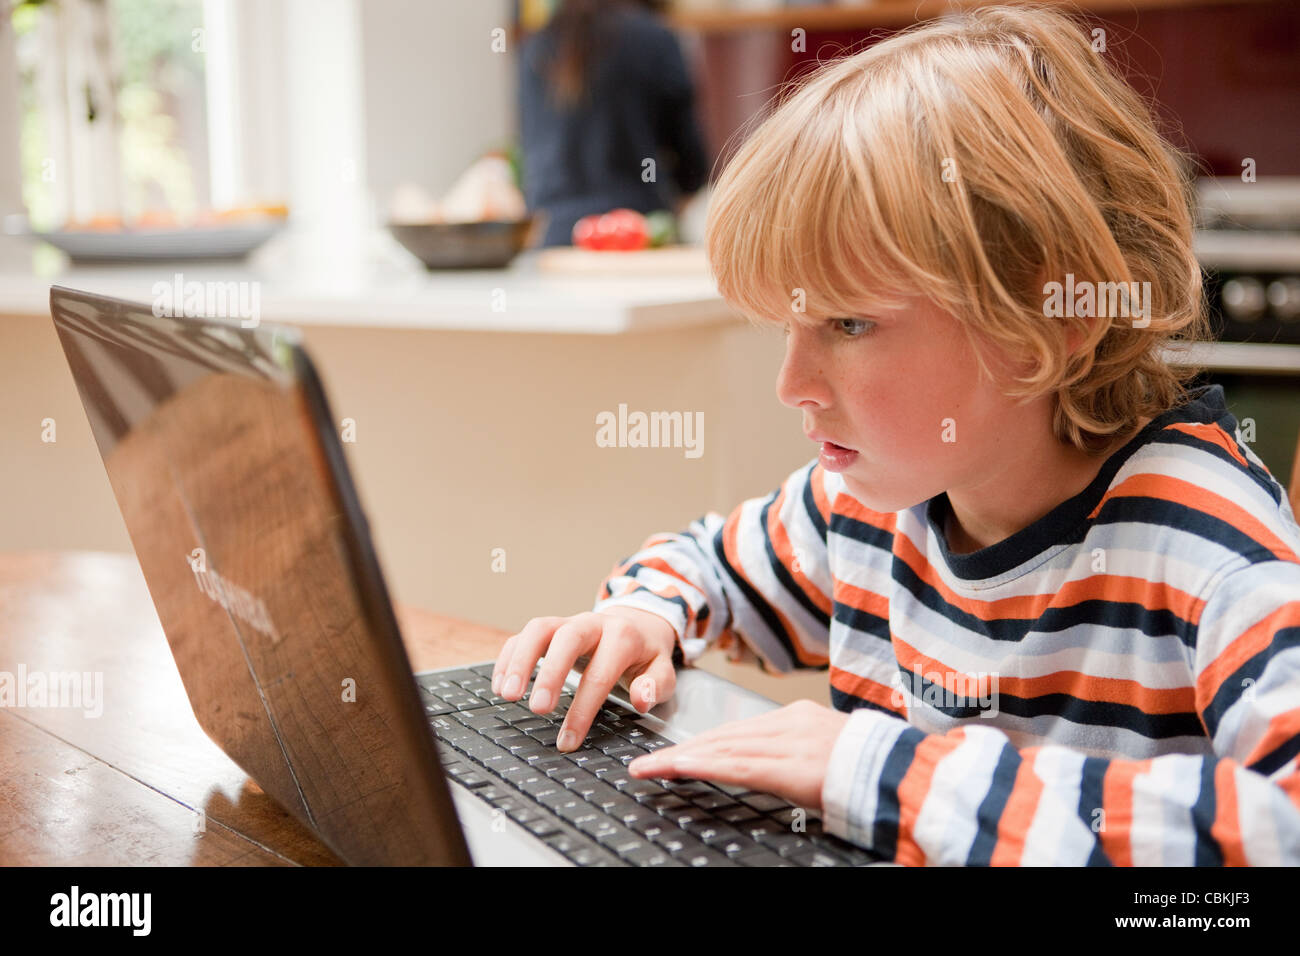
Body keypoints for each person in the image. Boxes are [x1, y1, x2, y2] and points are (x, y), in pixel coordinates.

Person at [492, 4, 1300, 865]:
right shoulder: (866, 506)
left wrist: (885, 771)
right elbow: (707, 566)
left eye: (847, 324)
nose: (790, 386)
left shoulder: (1206, 543)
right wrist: (641, 615)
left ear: (1054, 322)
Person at [517, 0, 709, 247]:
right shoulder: (655, 38)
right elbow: (692, 163)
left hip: (549, 234)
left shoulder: (533, 46)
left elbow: (529, 151)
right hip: (638, 230)